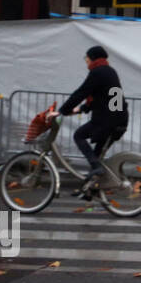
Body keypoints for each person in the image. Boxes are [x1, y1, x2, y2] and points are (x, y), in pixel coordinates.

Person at [53, 45, 130, 198]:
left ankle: (94, 173)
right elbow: (102, 98)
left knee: (79, 135)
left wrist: (62, 110)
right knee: (96, 157)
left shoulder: (97, 72)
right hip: (118, 119)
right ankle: (90, 190)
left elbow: (82, 92)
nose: (86, 61)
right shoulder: (109, 71)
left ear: (92, 57)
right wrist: (81, 109)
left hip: (108, 121)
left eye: (86, 58)